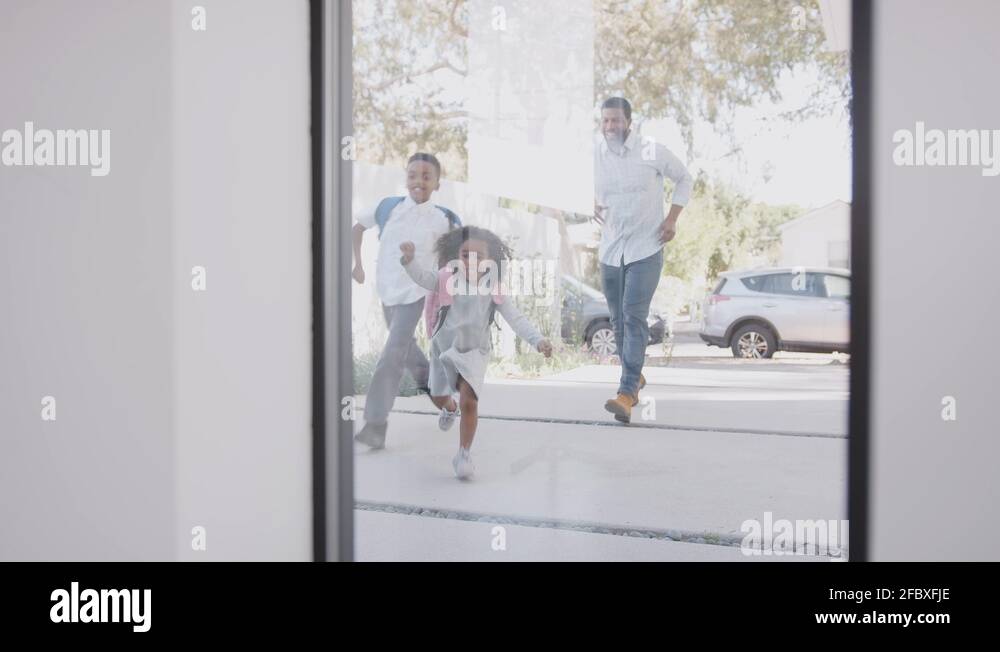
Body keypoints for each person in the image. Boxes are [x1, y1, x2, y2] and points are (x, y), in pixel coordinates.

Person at [400, 226, 553, 479]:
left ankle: (463, 454)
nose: (471, 260)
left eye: (478, 256)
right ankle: (448, 408)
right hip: (444, 349)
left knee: (470, 401)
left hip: (474, 352)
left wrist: (537, 341)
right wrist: (409, 261)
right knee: (439, 396)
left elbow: (515, 318)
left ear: (490, 261)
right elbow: (423, 278)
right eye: (465, 254)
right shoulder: (447, 278)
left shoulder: (494, 288)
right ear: (456, 255)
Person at [594, 97, 693, 423]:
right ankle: (634, 375)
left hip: (646, 248)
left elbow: (684, 178)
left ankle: (626, 393)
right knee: (617, 320)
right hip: (610, 249)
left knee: (633, 316)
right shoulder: (595, 154)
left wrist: (672, 219)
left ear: (629, 122)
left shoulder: (651, 150)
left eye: (616, 121)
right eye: (606, 121)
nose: (610, 127)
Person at [352, 153, 460, 449]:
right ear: (406, 178)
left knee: (392, 355)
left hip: (419, 294)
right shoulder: (389, 208)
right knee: (410, 356)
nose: (418, 182)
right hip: (389, 292)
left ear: (437, 183)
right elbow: (357, 228)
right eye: (413, 175)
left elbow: (457, 259)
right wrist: (358, 265)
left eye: (426, 176)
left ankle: (374, 426)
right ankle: (447, 402)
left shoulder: (444, 219)